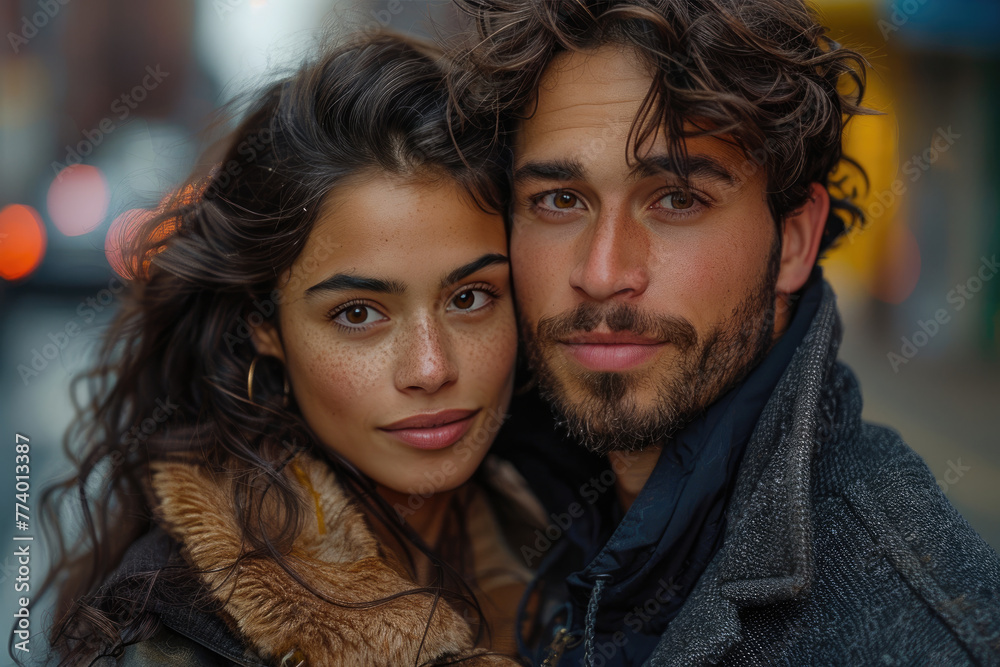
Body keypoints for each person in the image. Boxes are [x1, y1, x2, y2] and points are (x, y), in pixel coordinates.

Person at [453, 0, 1000, 664]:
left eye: (678, 199)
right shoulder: (477, 493)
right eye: (560, 200)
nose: (601, 274)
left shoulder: (919, 637)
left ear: (793, 240)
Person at [38, 32, 539, 667]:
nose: (431, 368)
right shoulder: (171, 643)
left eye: (470, 298)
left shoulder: (579, 534)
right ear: (264, 325)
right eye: (358, 313)